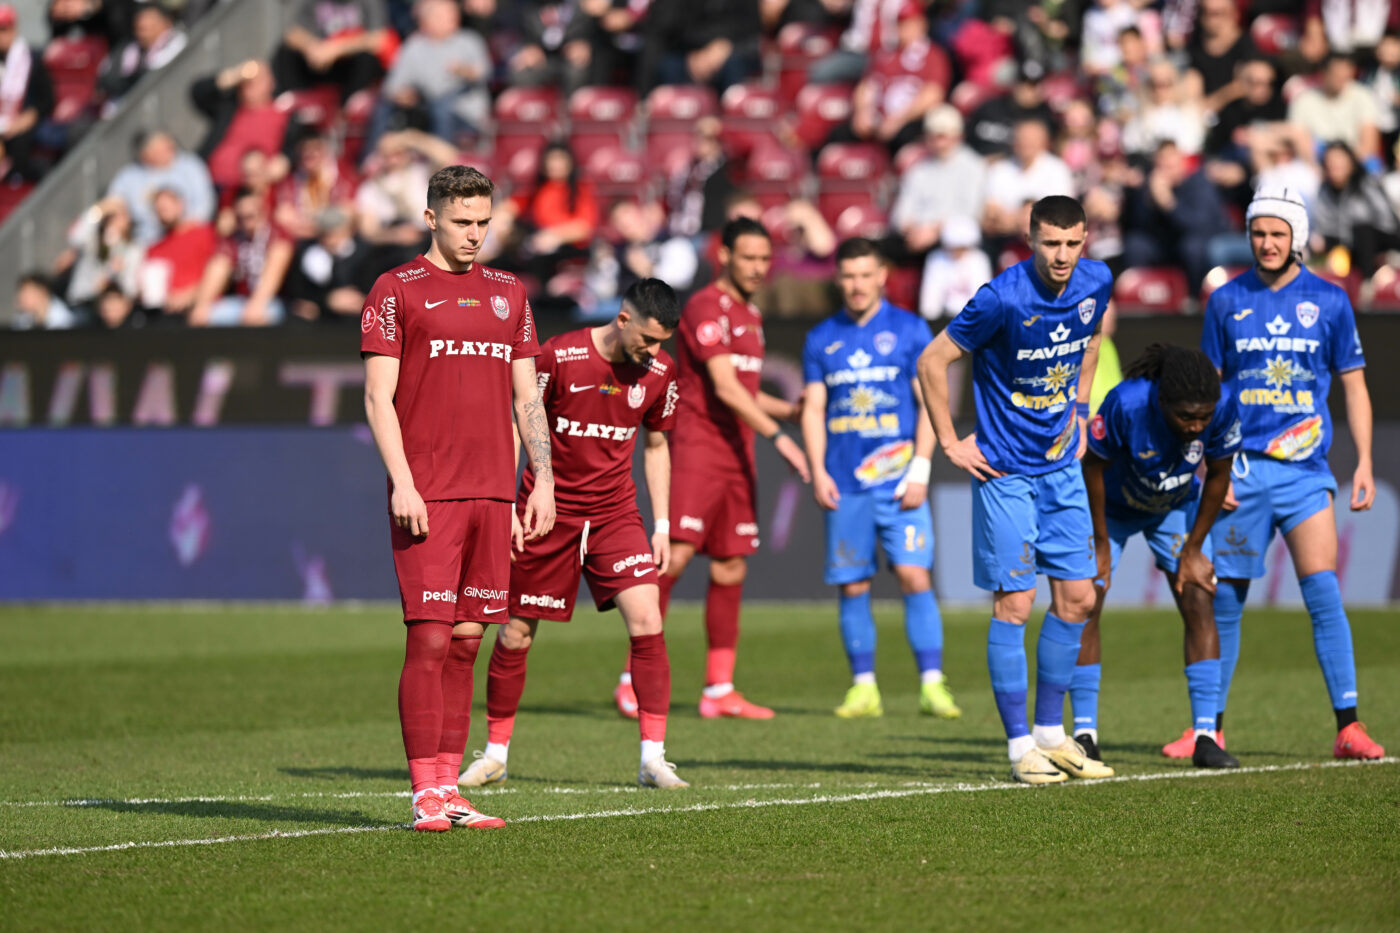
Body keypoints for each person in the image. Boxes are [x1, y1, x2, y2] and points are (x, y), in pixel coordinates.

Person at [360, 164, 556, 832]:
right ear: (432, 218)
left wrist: (543, 479)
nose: (474, 234)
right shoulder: (397, 289)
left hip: (494, 494)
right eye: (462, 222)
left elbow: (527, 396)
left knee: (471, 638)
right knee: (432, 639)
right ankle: (424, 792)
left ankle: (451, 787)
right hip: (430, 496)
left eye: (483, 222)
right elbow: (376, 396)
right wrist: (403, 482)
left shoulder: (509, 292)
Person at [1179, 185, 1385, 762]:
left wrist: (1364, 460)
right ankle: (1208, 729)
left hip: (1304, 474)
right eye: (1259, 232)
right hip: (1240, 476)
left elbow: (1353, 384)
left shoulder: (1330, 299)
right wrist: (1205, 466)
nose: (1267, 243)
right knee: (1226, 602)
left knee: (1324, 596)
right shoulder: (1226, 300)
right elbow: (1207, 391)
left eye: (1278, 232)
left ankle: (1348, 726)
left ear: (1298, 237)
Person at [459, 279, 690, 791]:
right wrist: (508, 502)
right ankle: (495, 753)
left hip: (615, 515)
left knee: (648, 619)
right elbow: (519, 422)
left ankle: (653, 757)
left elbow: (656, 447)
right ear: (624, 319)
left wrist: (663, 524)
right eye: (649, 340)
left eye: (663, 344)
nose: (655, 353)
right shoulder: (558, 357)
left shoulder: (660, 373)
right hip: (547, 514)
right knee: (515, 633)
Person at [916, 195, 1116, 785]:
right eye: (1051, 243)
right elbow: (932, 361)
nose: (1062, 255)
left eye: (1072, 243)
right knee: (1016, 604)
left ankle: (1053, 735)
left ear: (1086, 241)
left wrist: (1079, 406)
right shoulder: (1000, 297)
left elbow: (1092, 339)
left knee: (1078, 599)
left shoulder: (1096, 280)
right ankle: (1018, 746)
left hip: (1061, 468)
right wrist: (951, 443)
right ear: (1030, 239)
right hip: (1005, 473)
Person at [615, 217, 810, 720]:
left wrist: (791, 409)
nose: (757, 267)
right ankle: (633, 679)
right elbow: (723, 388)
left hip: (737, 453)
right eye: (748, 257)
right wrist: (780, 436)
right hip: (698, 449)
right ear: (723, 255)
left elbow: (744, 388)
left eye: (765, 259)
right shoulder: (705, 306)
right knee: (675, 557)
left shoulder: (750, 313)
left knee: (730, 564)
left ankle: (719, 689)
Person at [800, 237, 960, 720]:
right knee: (853, 585)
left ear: (882, 276)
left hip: (898, 483)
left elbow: (931, 406)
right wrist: (818, 470)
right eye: (848, 275)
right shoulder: (820, 338)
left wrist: (920, 469)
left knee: (914, 575)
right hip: (846, 484)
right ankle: (863, 686)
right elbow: (813, 408)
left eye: (866, 274)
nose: (857, 284)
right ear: (838, 279)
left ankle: (933, 685)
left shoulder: (910, 330)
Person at [1072, 344, 1241, 770]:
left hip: (1173, 508)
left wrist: (1194, 549)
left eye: (1203, 417)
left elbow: (1219, 475)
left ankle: (1206, 736)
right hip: (1111, 510)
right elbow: (1091, 467)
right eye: (1186, 417)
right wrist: (1101, 540)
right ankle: (1085, 735)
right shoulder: (1126, 403)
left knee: (1200, 596)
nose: (1195, 426)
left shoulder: (1221, 407)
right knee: (1088, 601)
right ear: (1161, 401)